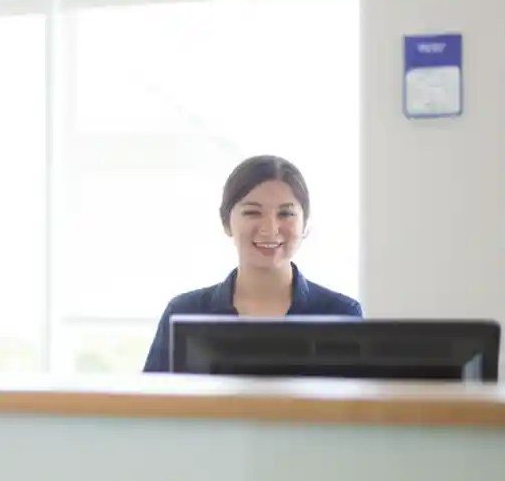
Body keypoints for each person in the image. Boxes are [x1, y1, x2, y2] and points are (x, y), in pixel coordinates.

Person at [142, 155, 361, 372]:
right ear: (227, 222)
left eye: (286, 213)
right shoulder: (185, 312)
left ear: (305, 224)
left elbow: (360, 405)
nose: (270, 228)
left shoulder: (341, 314)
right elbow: (150, 404)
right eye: (252, 212)